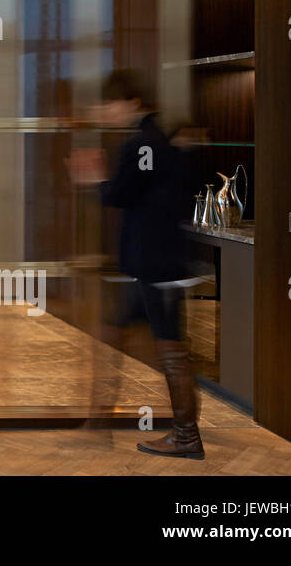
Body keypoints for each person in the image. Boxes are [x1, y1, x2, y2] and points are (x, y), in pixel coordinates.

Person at [67, 69, 204, 460]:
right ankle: (99, 419)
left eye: (109, 103)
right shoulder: (159, 142)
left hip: (155, 265)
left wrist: (93, 178)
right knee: (114, 335)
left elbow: (121, 195)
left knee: (171, 350)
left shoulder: (144, 144)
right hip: (150, 262)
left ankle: (187, 435)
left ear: (131, 104)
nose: (104, 110)